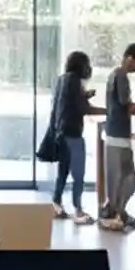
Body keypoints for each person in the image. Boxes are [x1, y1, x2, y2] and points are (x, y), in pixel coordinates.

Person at [48, 51, 104, 225]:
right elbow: (83, 109)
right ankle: (78, 210)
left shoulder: (62, 79)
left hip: (60, 133)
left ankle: (56, 204)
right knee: (78, 175)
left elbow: (67, 102)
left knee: (63, 173)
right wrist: (110, 111)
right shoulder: (74, 81)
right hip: (73, 133)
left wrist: (84, 96)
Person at [100, 43, 135, 232]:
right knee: (128, 177)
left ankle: (116, 211)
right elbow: (125, 104)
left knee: (117, 177)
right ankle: (116, 213)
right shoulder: (121, 76)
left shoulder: (113, 74)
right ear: (131, 58)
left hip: (113, 132)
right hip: (119, 134)